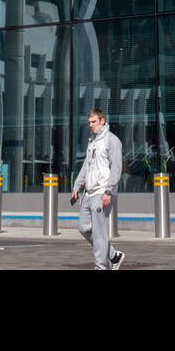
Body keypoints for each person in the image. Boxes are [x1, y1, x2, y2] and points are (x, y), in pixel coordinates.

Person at [71, 107, 125, 270]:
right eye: (89, 122)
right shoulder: (92, 141)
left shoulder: (112, 141)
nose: (91, 125)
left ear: (102, 121)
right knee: (83, 227)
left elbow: (117, 167)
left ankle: (100, 266)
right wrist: (77, 186)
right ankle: (114, 255)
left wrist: (109, 191)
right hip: (89, 192)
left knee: (99, 232)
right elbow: (86, 166)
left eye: (93, 122)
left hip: (102, 191)